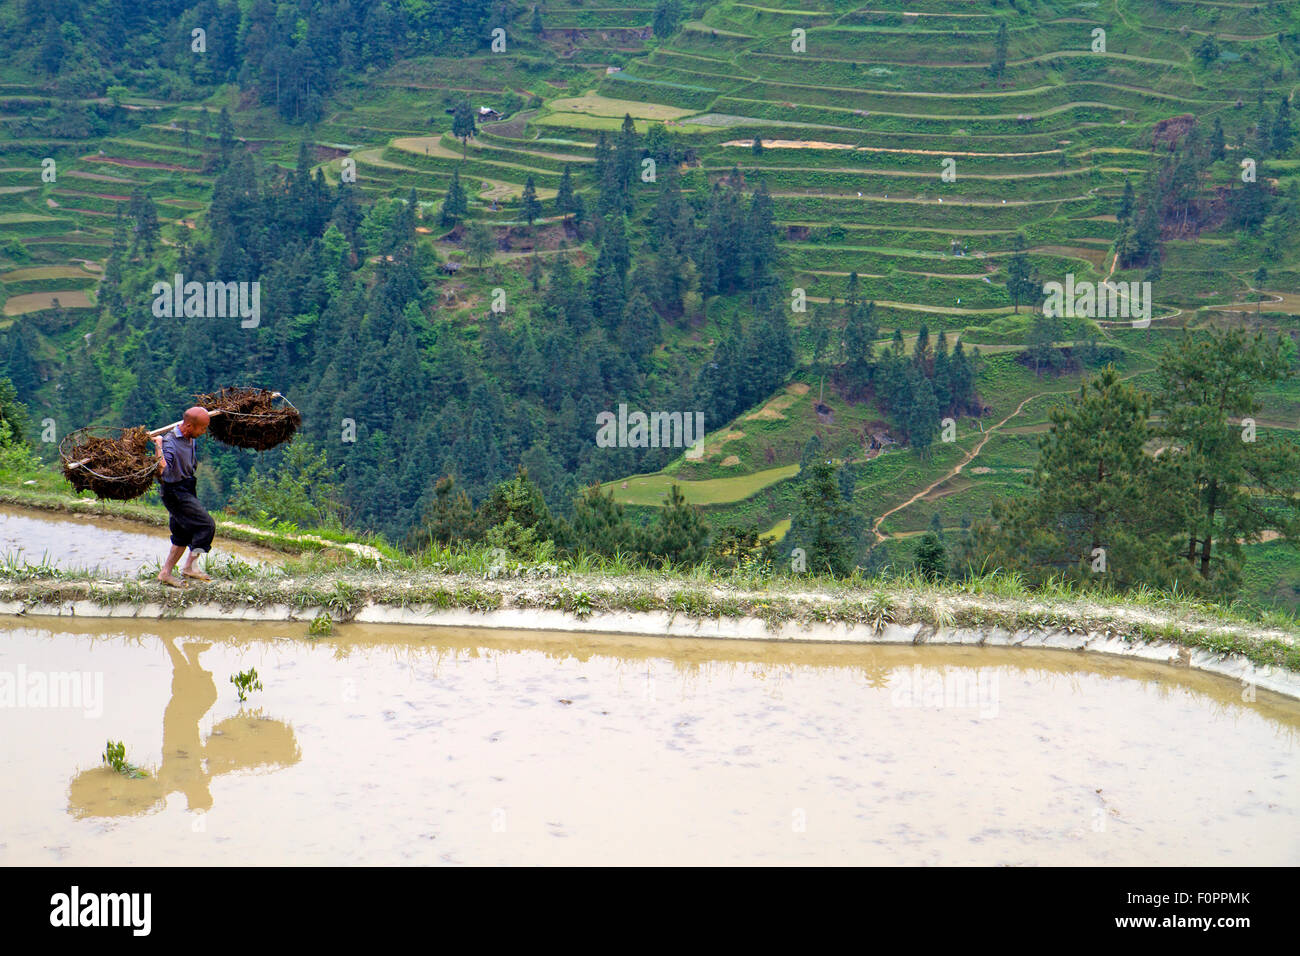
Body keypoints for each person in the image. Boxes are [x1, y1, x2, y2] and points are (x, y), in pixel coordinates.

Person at [153, 406, 216, 587]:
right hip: (175, 491)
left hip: (187, 486)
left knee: (182, 534)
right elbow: (162, 470)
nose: (203, 432)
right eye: (202, 428)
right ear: (189, 426)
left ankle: (165, 573)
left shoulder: (189, 435)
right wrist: (158, 445)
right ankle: (190, 566)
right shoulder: (170, 442)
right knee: (206, 525)